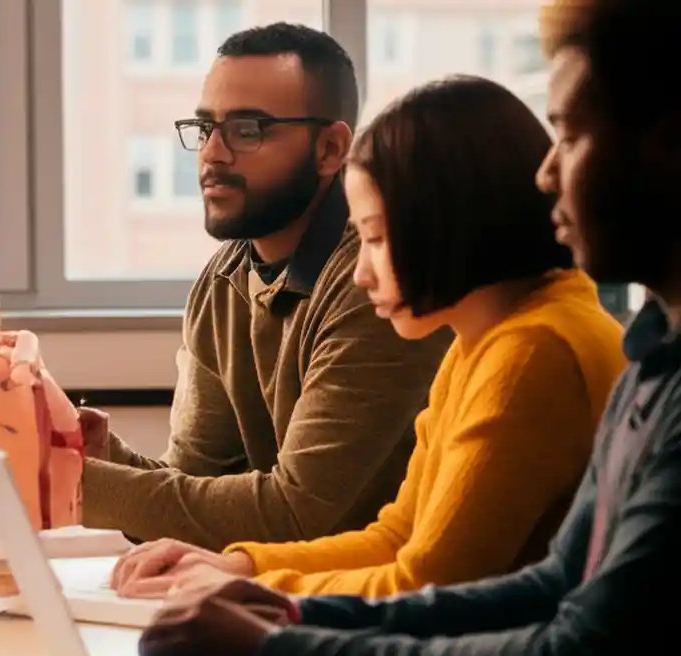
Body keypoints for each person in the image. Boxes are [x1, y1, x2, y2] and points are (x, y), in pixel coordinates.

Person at [136, 0, 681, 656]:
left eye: (571, 136)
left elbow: (560, 647)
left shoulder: (537, 349)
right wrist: (263, 595)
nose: (546, 176)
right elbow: (542, 580)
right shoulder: (634, 360)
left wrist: (270, 646)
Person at [110, 76, 626, 601]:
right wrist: (240, 565)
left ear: (450, 222)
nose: (360, 273)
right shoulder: (482, 339)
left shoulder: (532, 351)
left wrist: (253, 589)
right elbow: (396, 537)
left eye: (376, 238)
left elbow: (422, 583)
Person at [78, 24, 450, 552]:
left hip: (379, 606)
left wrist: (75, 488)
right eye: (204, 128)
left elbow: (300, 516)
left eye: (248, 130)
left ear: (331, 149)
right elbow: (195, 484)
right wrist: (95, 455)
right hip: (283, 596)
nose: (212, 155)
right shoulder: (222, 280)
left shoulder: (377, 282)